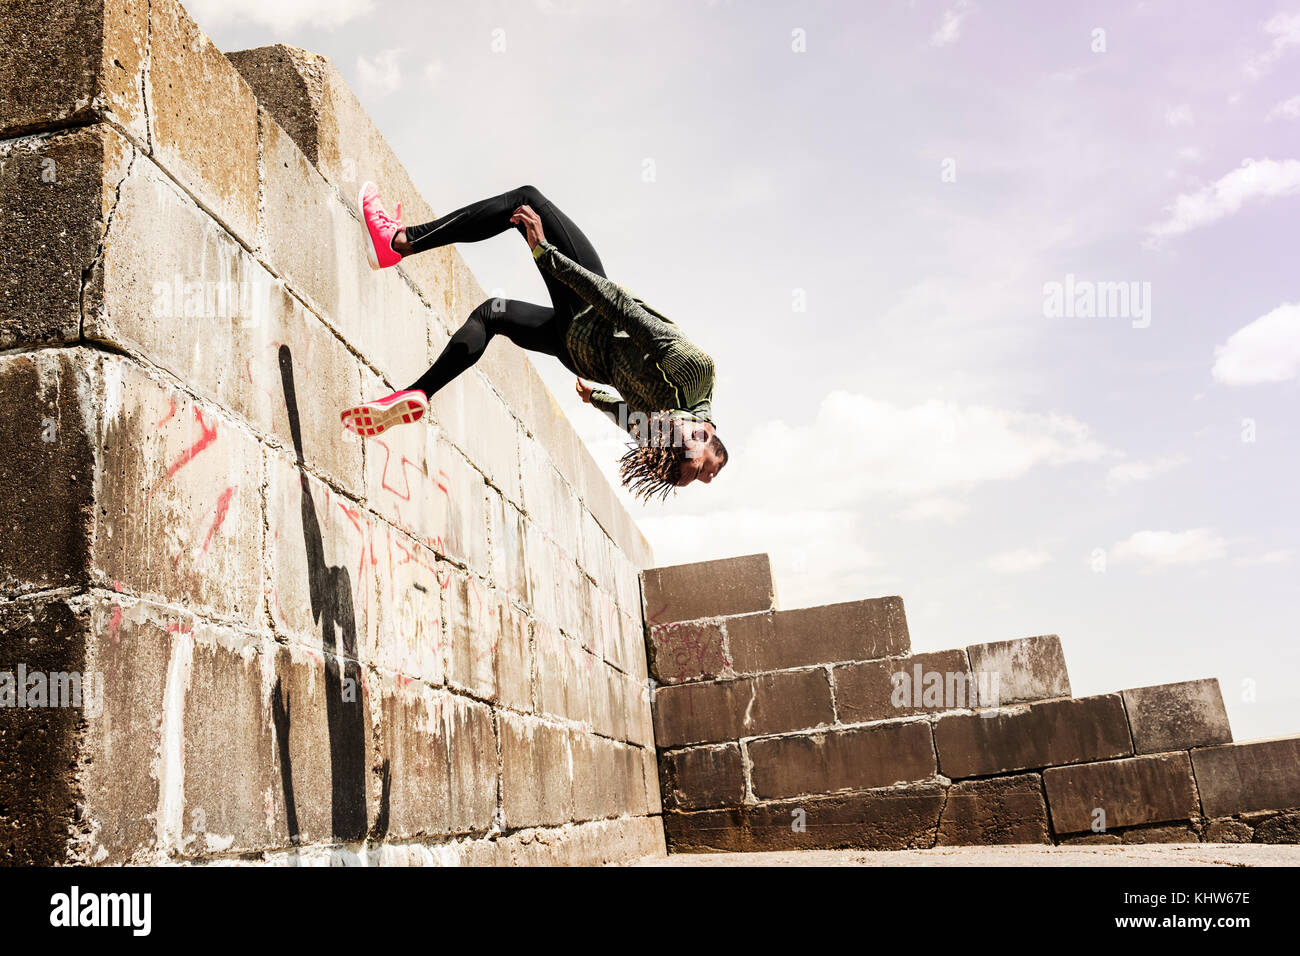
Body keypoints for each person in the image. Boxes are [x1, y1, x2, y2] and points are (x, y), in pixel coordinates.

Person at [341, 182, 726, 499]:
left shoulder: (695, 372)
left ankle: (397, 241)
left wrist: (547, 255)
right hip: (579, 357)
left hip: (591, 316)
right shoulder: (661, 433)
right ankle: (419, 392)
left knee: (525, 201)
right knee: (492, 314)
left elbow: (622, 307)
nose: (659, 426)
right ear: (706, 432)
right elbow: (627, 417)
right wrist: (595, 398)